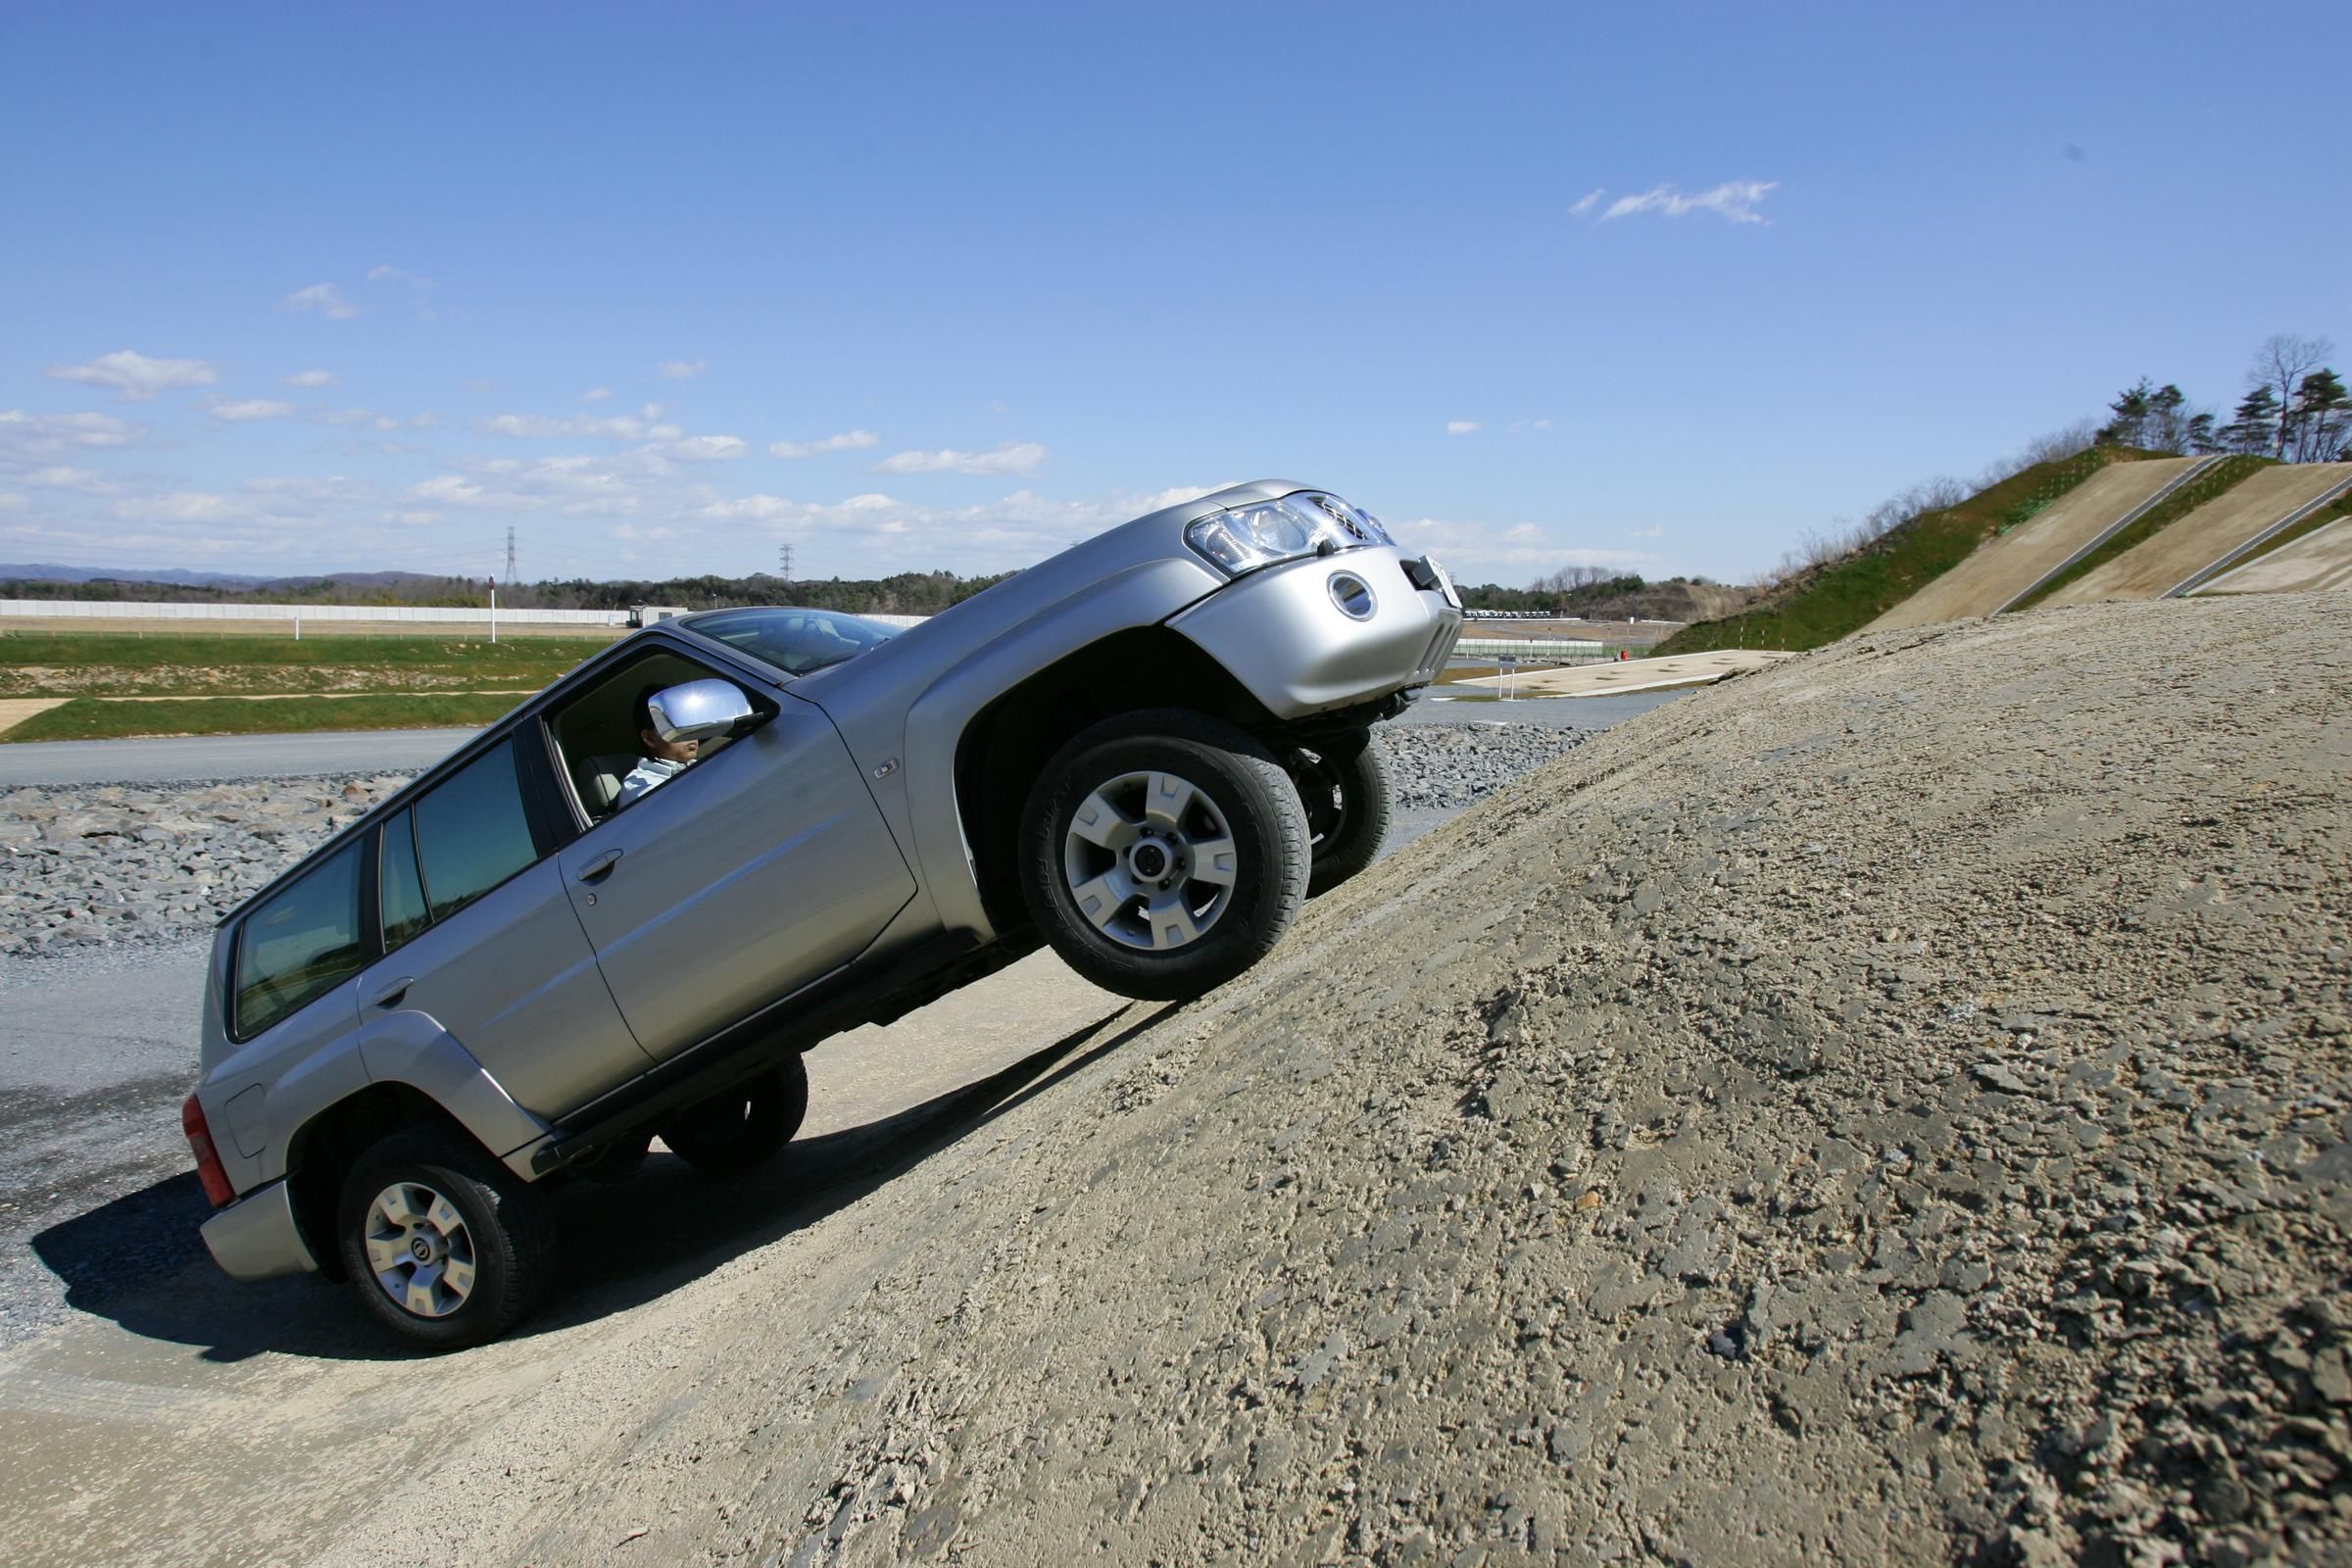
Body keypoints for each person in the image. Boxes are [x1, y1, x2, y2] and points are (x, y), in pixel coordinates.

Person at [618, 684, 698, 804]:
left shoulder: (701, 764)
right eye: (677, 724)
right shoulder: (642, 786)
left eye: (691, 721)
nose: (691, 730)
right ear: (650, 738)